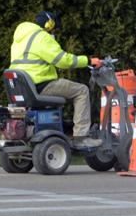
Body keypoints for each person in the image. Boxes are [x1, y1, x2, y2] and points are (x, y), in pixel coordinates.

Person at [8, 11, 101, 147]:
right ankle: (81, 137)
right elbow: (63, 60)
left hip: (23, 89)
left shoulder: (20, 39)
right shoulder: (41, 37)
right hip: (41, 86)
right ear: (49, 24)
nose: (54, 30)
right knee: (82, 91)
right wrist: (88, 60)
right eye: (54, 27)